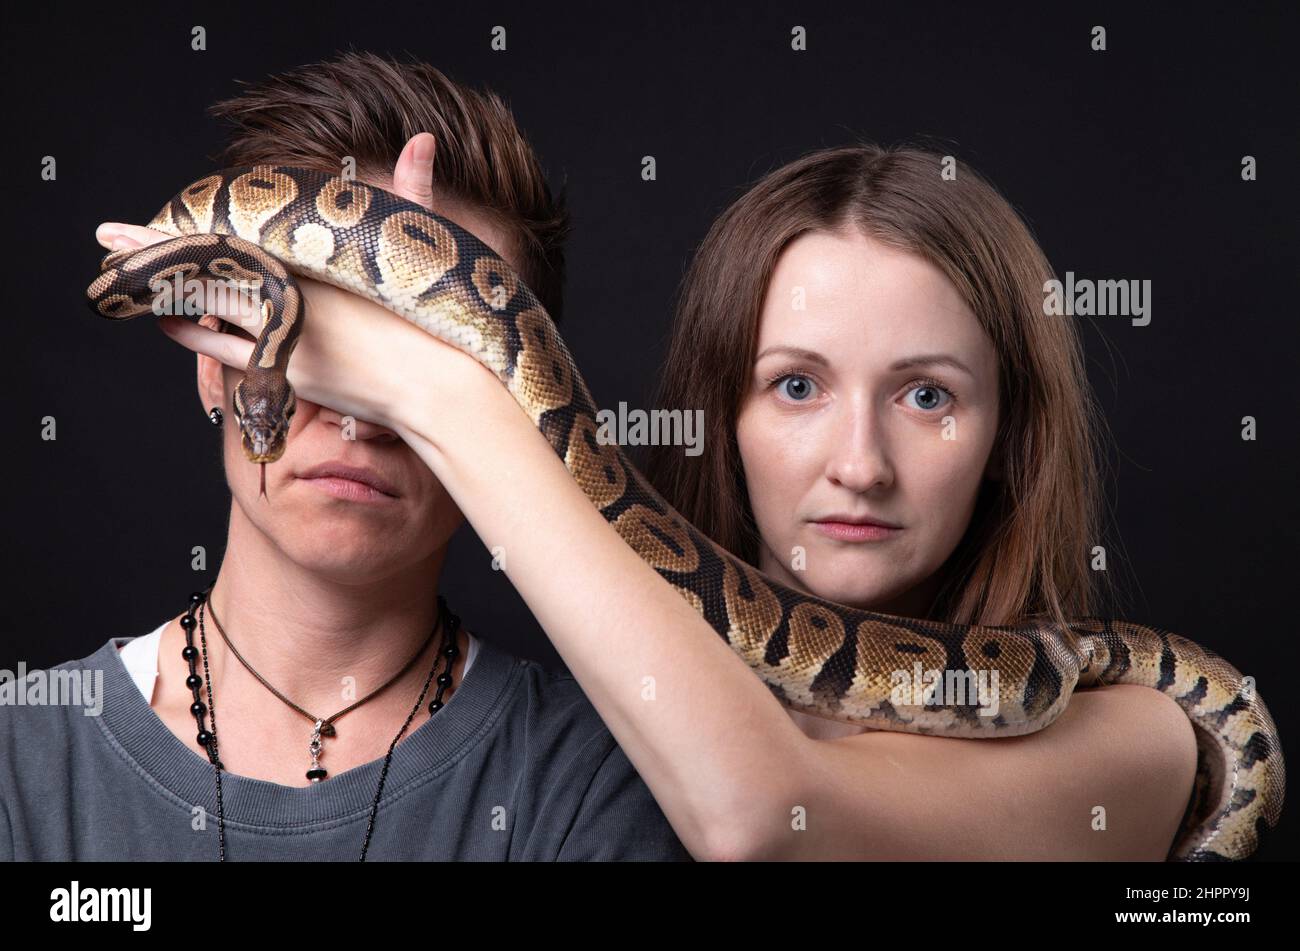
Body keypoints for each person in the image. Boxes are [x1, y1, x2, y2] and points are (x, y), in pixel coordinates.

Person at [79, 131, 1201, 859]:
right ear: (718, 415)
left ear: (1008, 440)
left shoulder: (1136, 742)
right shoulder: (595, 747)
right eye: (795, 385)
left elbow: (764, 814)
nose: (859, 462)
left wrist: (433, 376)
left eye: (927, 396)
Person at [0, 51, 692, 862]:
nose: (362, 414)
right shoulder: (24, 755)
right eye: (327, 337)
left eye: (429, 357)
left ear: (521, 408)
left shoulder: (596, 780)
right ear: (210, 358)